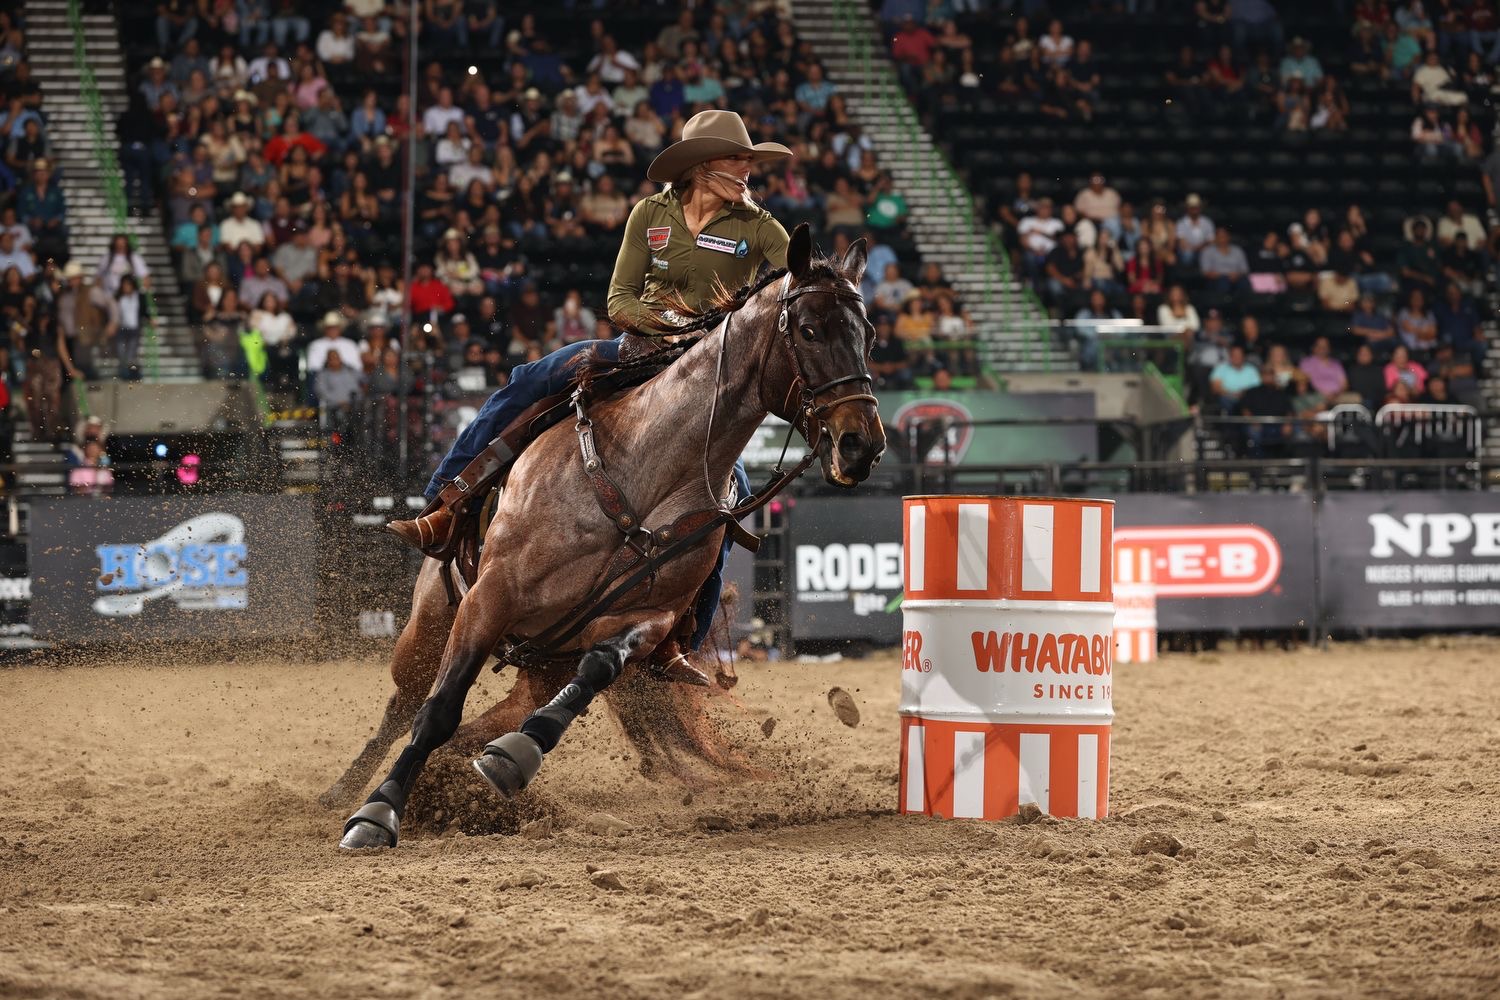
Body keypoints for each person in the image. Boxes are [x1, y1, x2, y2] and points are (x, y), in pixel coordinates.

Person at [387, 109, 794, 663]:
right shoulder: (649, 215)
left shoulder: (762, 229)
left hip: (710, 377)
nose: (748, 169)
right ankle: (445, 505)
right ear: (702, 167)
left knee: (729, 496)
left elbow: (802, 289)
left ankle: (679, 641)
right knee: (531, 381)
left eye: (751, 160)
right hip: (640, 349)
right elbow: (619, 299)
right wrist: (667, 328)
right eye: (737, 158)